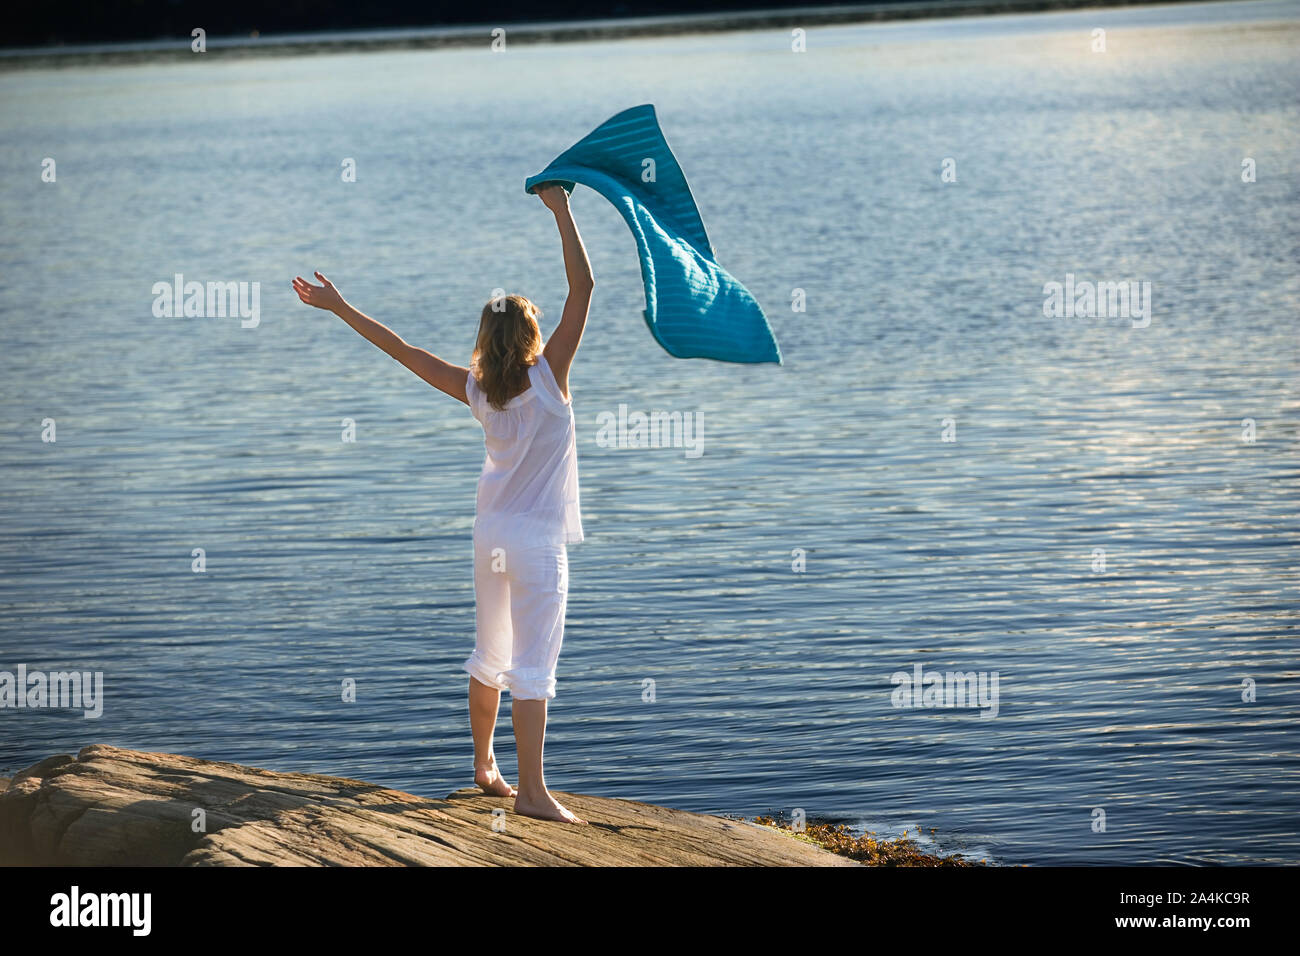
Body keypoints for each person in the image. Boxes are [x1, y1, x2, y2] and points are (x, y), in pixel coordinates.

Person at [291, 183, 593, 823]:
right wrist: (561, 207)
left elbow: (400, 349)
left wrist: (341, 306)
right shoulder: (550, 377)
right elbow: (584, 290)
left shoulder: (476, 389)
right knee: (532, 666)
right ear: (534, 335)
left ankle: (485, 764)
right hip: (536, 542)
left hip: (490, 537)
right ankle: (534, 794)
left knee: (491, 653)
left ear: (485, 337)